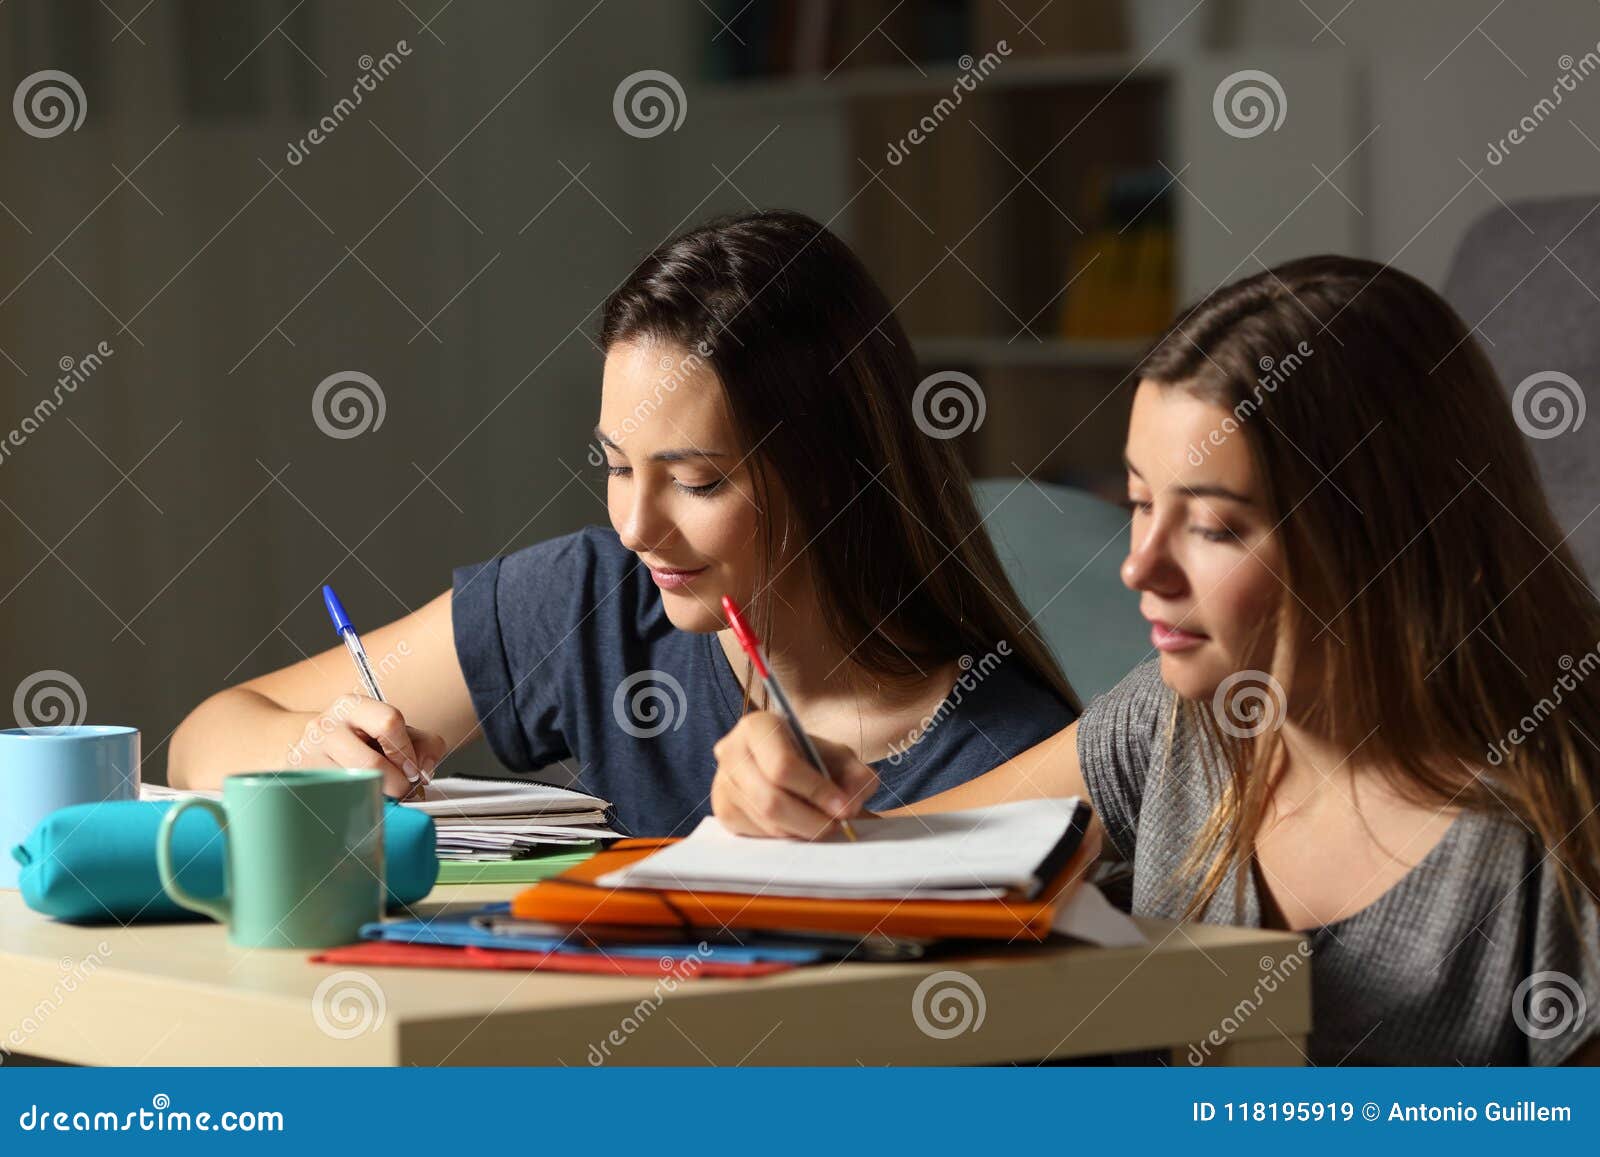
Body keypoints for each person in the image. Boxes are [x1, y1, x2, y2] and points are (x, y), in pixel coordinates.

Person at [710, 256, 1600, 1065]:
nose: (1140, 564)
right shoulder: (1175, 727)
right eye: (1138, 503)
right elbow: (870, 863)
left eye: (1213, 524)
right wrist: (776, 797)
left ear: (1382, 534)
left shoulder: (1562, 830)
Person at [169, 209, 1078, 838]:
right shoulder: (596, 599)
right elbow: (203, 739)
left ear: (836, 474)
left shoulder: (1004, 750)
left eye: (696, 481)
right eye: (613, 466)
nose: (636, 525)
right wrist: (312, 760)